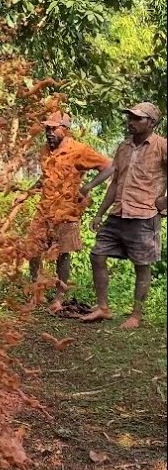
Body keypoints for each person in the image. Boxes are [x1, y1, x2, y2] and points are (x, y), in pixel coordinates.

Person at [80, 102, 167, 329]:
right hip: (118, 213)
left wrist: (164, 202)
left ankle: (136, 315)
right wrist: (100, 213)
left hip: (144, 216)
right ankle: (103, 307)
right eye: (130, 117)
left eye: (138, 118)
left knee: (142, 266)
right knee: (97, 255)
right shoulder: (123, 147)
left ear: (152, 122)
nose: (131, 121)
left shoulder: (162, 146)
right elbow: (115, 182)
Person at [22, 111, 111, 314]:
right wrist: (27, 193)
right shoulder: (45, 150)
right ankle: (36, 292)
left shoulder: (79, 150)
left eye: (53, 128)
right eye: (47, 128)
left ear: (64, 129)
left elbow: (108, 166)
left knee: (63, 254)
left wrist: (87, 187)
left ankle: (59, 299)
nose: (49, 132)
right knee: (32, 250)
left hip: (67, 211)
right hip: (45, 210)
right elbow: (45, 178)